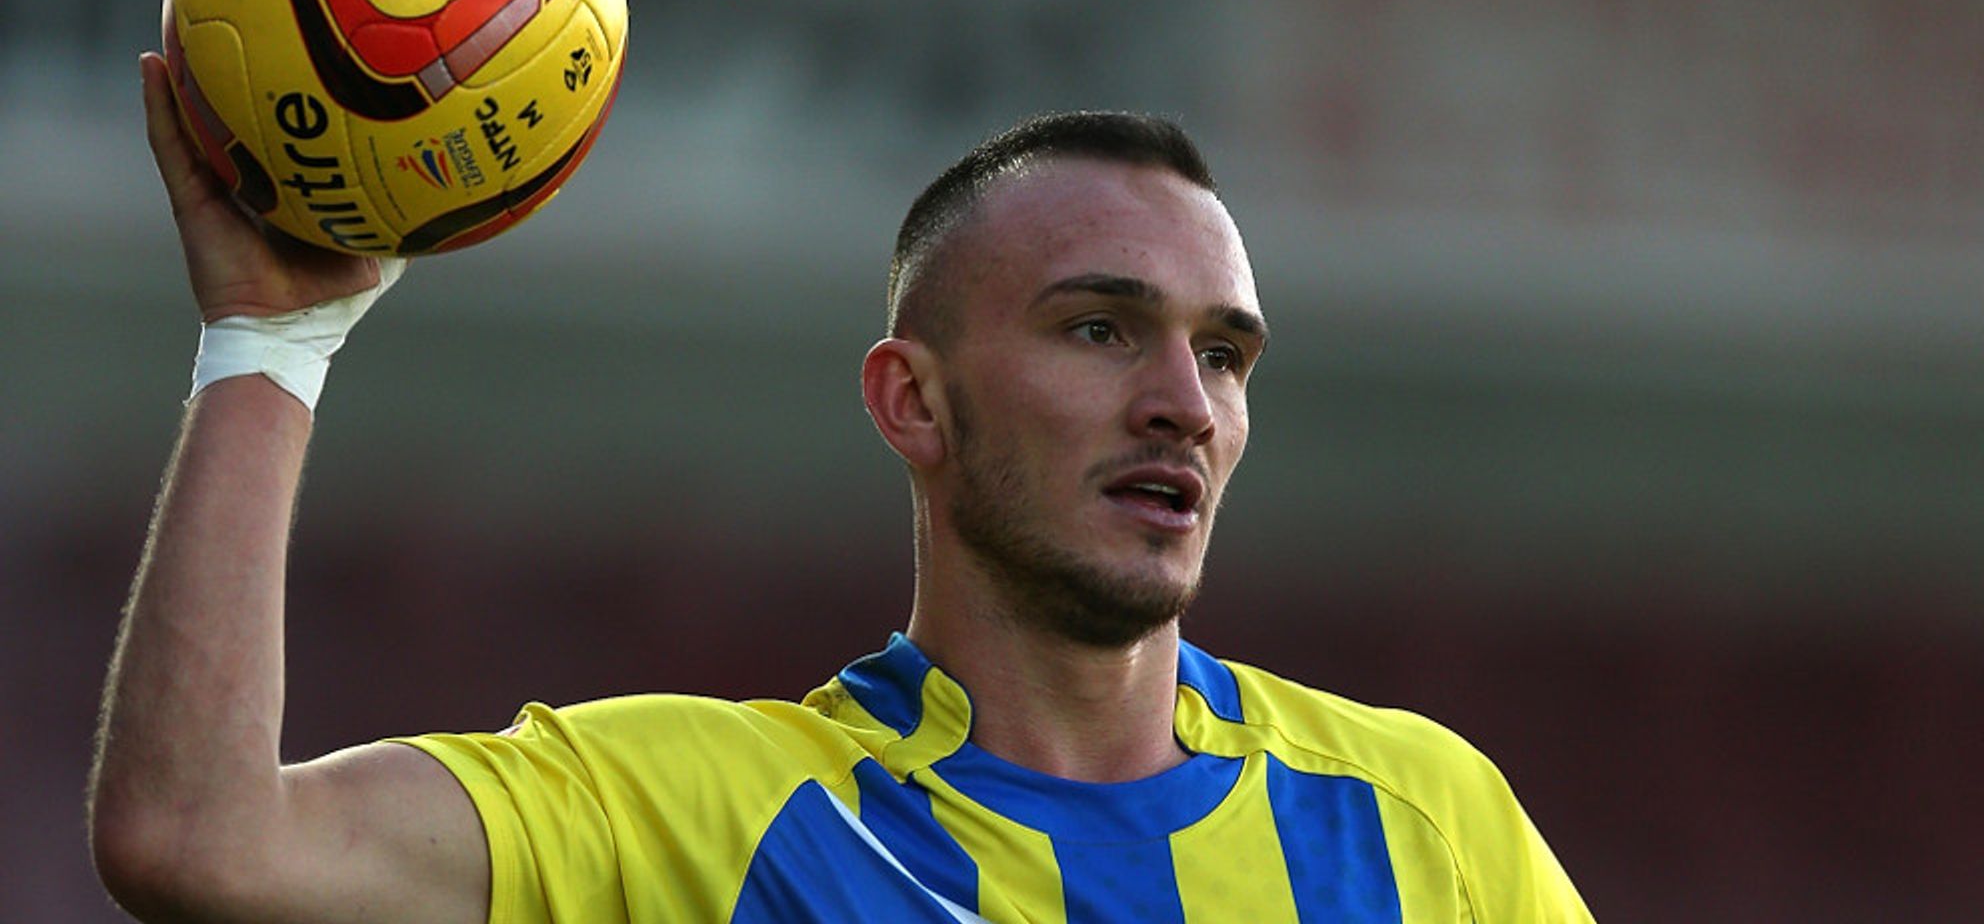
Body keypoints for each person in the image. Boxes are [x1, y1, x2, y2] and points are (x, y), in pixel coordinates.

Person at [90, 51, 1595, 923]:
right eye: (1099, 329)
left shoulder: (1420, 825)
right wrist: (272, 341)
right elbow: (196, 843)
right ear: (912, 403)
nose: (1182, 405)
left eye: (1226, 355)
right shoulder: (716, 819)